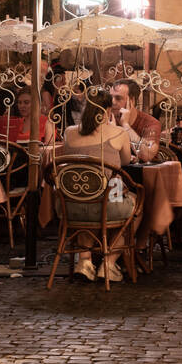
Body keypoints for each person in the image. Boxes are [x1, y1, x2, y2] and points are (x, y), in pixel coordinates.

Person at [61, 86, 135, 284]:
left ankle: (84, 261)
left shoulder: (69, 133)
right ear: (107, 110)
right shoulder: (118, 133)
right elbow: (126, 162)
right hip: (106, 204)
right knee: (134, 207)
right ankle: (109, 264)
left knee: (88, 199)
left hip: (71, 206)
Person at [110, 79, 160, 162]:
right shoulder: (106, 119)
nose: (112, 102)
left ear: (132, 101)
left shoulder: (150, 123)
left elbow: (147, 155)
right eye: (110, 97)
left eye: (118, 98)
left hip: (142, 173)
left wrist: (125, 125)